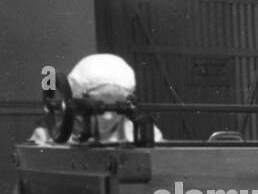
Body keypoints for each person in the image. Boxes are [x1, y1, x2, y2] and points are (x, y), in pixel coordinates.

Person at [28, 53, 163, 144]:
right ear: (75, 100)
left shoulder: (145, 134)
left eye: (118, 103)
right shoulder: (45, 140)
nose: (108, 116)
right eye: (100, 104)